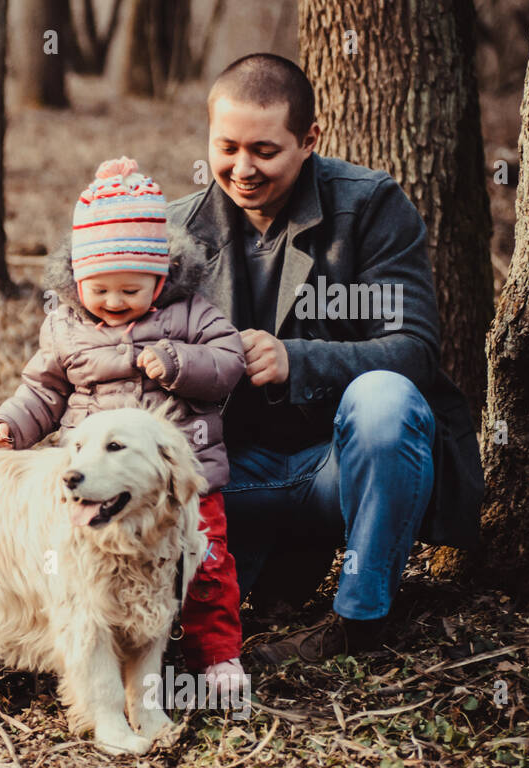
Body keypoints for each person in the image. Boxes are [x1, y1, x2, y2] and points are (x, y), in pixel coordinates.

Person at [166, 53, 484, 668]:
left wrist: (295, 359)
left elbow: (415, 352)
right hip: (236, 479)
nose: (241, 168)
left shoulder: (370, 207)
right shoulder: (177, 231)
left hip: (350, 471)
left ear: (310, 138)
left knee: (385, 400)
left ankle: (359, 621)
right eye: (225, 147)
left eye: (264, 150)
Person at [0, 157, 248, 696]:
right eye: (99, 288)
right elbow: (44, 389)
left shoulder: (191, 315)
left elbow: (229, 363)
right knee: (93, 565)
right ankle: (103, 647)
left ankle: (217, 656)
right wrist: (12, 424)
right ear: (76, 278)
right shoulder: (66, 329)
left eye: (131, 289)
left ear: (161, 278)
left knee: (207, 563)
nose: (113, 303)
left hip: (180, 478)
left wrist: (178, 363)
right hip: (95, 480)